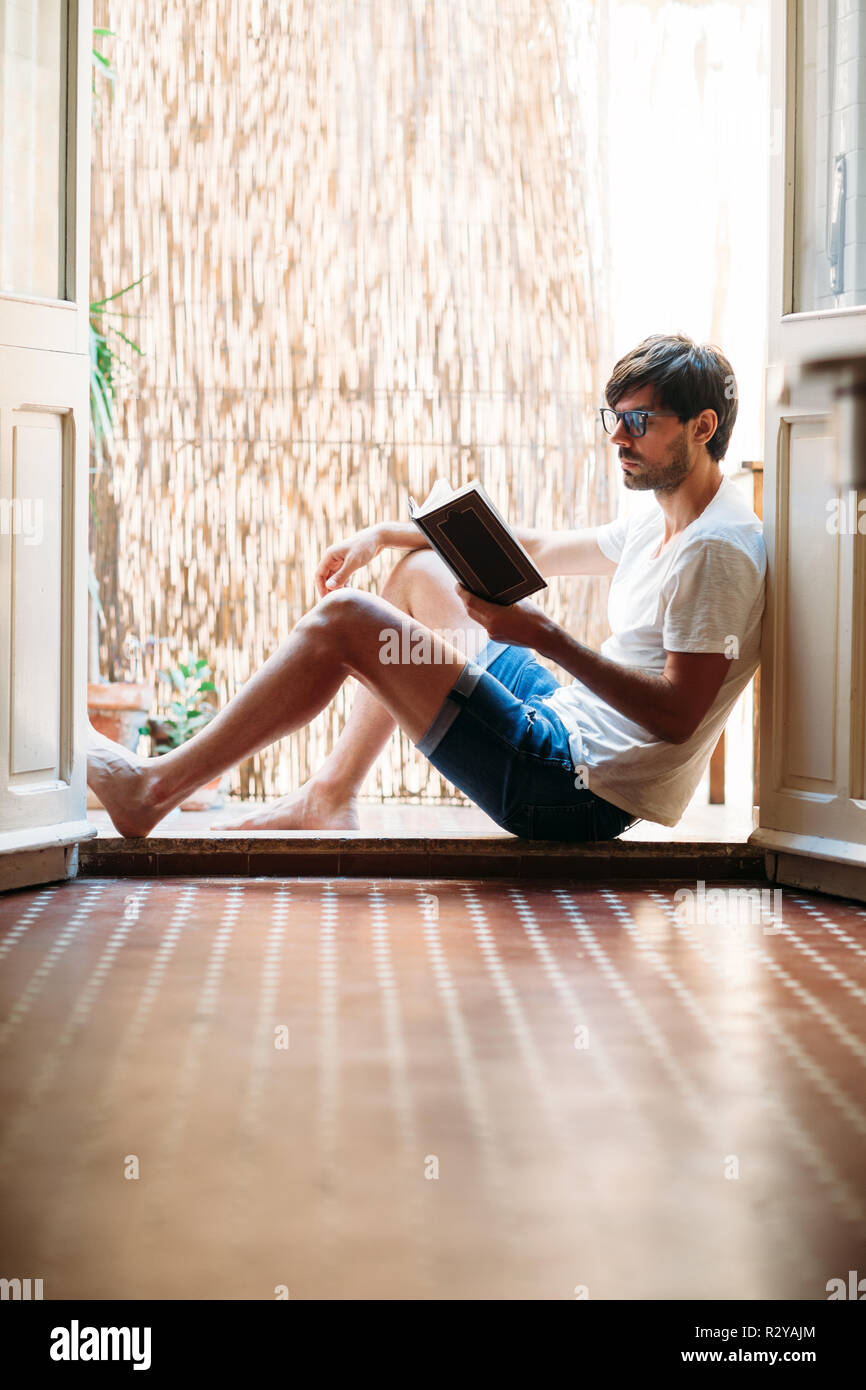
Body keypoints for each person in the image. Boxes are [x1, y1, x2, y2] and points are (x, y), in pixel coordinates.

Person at [88, 333, 766, 842]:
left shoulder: (717, 551)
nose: (617, 437)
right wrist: (384, 536)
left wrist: (545, 637)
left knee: (346, 620)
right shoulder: (665, 518)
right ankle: (330, 796)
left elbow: (677, 717)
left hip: (569, 785)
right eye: (611, 418)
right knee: (417, 573)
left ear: (703, 428)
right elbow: (530, 548)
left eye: (638, 422)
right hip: (563, 715)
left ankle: (151, 790)